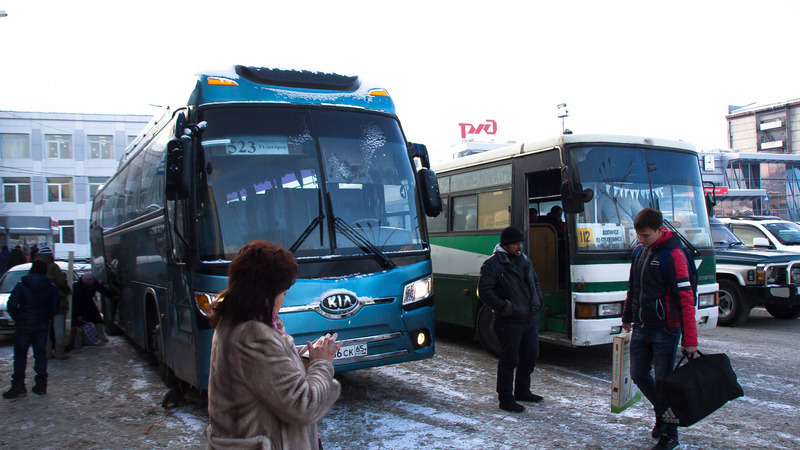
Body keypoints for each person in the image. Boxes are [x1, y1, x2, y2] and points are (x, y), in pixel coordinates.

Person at [205, 240, 341, 449]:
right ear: (264, 293)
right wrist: (321, 364)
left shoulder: (235, 321)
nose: (282, 301)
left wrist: (301, 362)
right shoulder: (252, 335)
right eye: (283, 293)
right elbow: (302, 406)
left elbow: (267, 383)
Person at [622, 208, 698, 450]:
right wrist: (627, 316)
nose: (640, 240)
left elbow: (686, 299)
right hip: (642, 327)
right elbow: (633, 287)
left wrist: (690, 339)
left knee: (664, 382)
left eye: (645, 235)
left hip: (666, 330)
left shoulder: (674, 255)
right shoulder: (639, 252)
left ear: (659, 230)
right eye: (638, 235)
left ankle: (669, 434)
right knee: (638, 374)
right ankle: (663, 413)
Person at [478, 226, 544, 412]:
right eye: (516, 243)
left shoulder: (524, 259)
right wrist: (506, 308)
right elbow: (485, 292)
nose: (519, 247)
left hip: (529, 319)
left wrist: (537, 301)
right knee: (509, 360)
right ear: (505, 245)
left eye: (520, 243)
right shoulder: (492, 264)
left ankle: (522, 391)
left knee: (530, 356)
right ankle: (505, 398)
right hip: (509, 321)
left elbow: (535, 281)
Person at [3, 260, 59, 398]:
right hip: (42, 324)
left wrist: (18, 317)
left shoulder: (22, 285)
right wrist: (46, 317)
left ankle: (18, 385)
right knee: (40, 354)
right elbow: (55, 307)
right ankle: (41, 384)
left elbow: (12, 304)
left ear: (32, 270)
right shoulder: (50, 287)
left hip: (24, 323)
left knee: (20, 355)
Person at [35, 245, 71, 360]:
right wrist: (67, 291)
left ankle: (47, 352)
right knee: (58, 328)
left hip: (41, 303)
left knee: (45, 328)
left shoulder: (34, 267)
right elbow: (61, 282)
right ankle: (60, 353)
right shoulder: (54, 267)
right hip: (58, 300)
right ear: (50, 255)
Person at [70, 272, 116, 345]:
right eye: (89, 284)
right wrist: (78, 314)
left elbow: (101, 289)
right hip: (80, 305)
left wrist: (112, 296)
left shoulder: (93, 283)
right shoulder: (77, 287)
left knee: (97, 319)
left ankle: (101, 335)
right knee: (83, 322)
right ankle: (88, 339)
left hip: (89, 303)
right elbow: (75, 302)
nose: (91, 285)